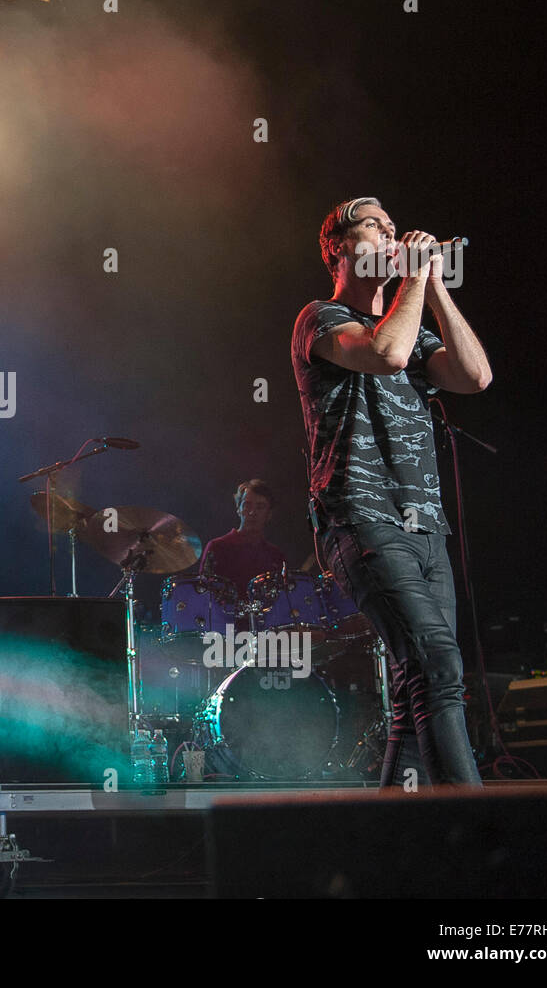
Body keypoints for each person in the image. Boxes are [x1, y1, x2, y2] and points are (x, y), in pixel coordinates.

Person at [292, 196, 491, 788]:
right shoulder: (320, 318)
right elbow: (386, 353)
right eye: (374, 227)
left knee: (415, 688)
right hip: (361, 518)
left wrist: (433, 286)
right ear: (338, 250)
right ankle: (483, 830)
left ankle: (391, 840)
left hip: (425, 524)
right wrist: (412, 275)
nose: (390, 233)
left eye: (393, 227)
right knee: (437, 666)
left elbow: (475, 376)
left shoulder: (413, 321)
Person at [198, 479, 289, 601]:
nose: (252, 512)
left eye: (260, 507)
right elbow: (203, 593)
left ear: (269, 514)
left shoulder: (276, 555)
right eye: (247, 505)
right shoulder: (217, 547)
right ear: (238, 509)